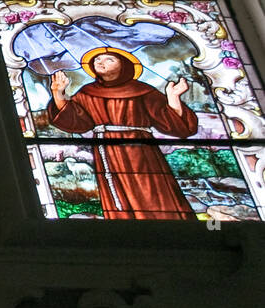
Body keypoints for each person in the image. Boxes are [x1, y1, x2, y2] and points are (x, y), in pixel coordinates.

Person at [47, 48, 198, 220]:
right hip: (106, 151)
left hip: (139, 150)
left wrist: (173, 98)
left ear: (124, 66)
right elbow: (77, 122)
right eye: (97, 59)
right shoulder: (87, 93)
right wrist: (58, 94)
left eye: (108, 59)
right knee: (116, 194)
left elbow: (179, 127)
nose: (100, 62)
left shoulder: (143, 91)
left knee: (150, 189)